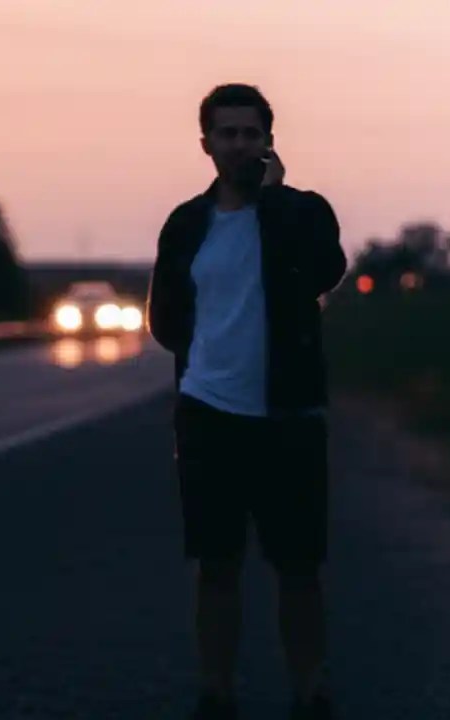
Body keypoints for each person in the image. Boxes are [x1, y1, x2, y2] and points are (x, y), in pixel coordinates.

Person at [145, 83, 347, 720]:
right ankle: (217, 690)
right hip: (209, 414)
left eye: (250, 133)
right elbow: (167, 319)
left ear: (268, 141)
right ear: (205, 143)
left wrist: (275, 200)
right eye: (226, 134)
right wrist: (205, 367)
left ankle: (309, 689)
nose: (238, 144)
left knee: (299, 565)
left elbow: (322, 271)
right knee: (216, 562)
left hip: (288, 414)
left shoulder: (303, 212)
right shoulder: (186, 223)